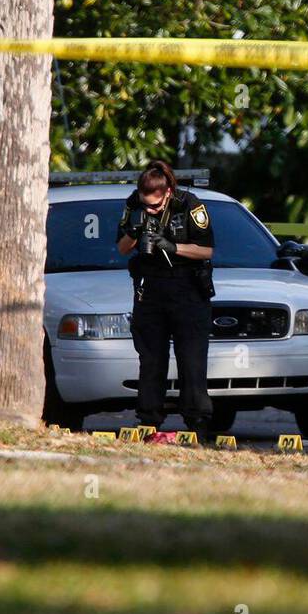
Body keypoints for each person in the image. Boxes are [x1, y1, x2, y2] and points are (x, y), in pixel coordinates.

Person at [116, 160, 216, 435]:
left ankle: (197, 420)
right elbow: (122, 248)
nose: (150, 210)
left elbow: (206, 251)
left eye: (155, 206)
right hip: (151, 289)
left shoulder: (189, 205)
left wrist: (172, 246)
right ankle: (149, 418)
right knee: (151, 357)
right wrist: (135, 232)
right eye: (145, 204)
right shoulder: (134, 205)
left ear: (168, 192)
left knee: (191, 357)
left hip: (187, 287)